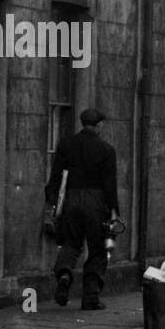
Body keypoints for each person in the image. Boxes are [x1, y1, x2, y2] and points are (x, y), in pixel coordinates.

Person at [44, 108, 120, 309]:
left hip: (72, 199)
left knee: (70, 243)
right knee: (97, 250)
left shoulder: (66, 145)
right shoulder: (106, 150)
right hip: (96, 201)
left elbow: (56, 176)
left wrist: (52, 202)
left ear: (82, 123)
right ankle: (90, 298)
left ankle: (65, 273)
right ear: (99, 125)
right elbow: (110, 185)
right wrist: (113, 210)